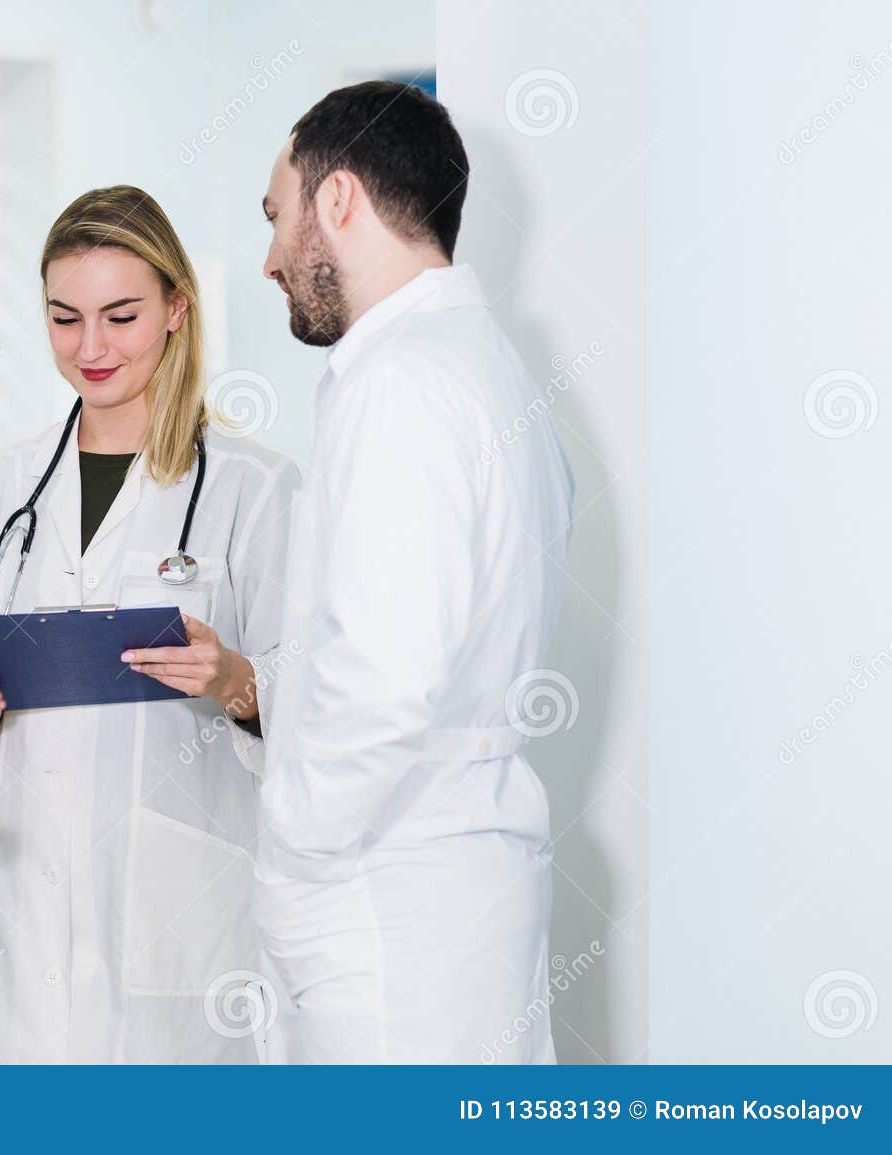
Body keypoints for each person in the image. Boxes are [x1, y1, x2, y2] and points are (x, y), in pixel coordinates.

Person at [0, 185, 299, 1062]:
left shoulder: (255, 486)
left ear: (176, 308)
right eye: (65, 318)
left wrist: (236, 678)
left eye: (121, 315)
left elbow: (317, 689)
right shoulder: (2, 488)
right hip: (18, 908)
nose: (90, 348)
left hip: (177, 918)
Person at [253, 82, 576, 1063]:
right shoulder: (487, 369)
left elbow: (383, 677)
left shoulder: (396, 381)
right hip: (460, 893)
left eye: (277, 217)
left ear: (338, 200)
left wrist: (295, 847)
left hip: (386, 903)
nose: (270, 261)